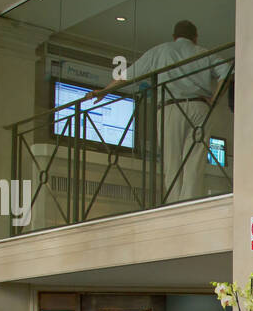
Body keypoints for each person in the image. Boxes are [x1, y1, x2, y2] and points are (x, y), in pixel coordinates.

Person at [94, 20, 225, 203]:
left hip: (171, 107)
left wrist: (104, 91)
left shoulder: (160, 50)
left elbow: (128, 74)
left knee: (172, 160)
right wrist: (215, 98)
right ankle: (190, 203)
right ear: (195, 38)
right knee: (194, 161)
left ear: (174, 37)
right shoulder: (204, 53)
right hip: (200, 108)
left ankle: (174, 204)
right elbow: (227, 71)